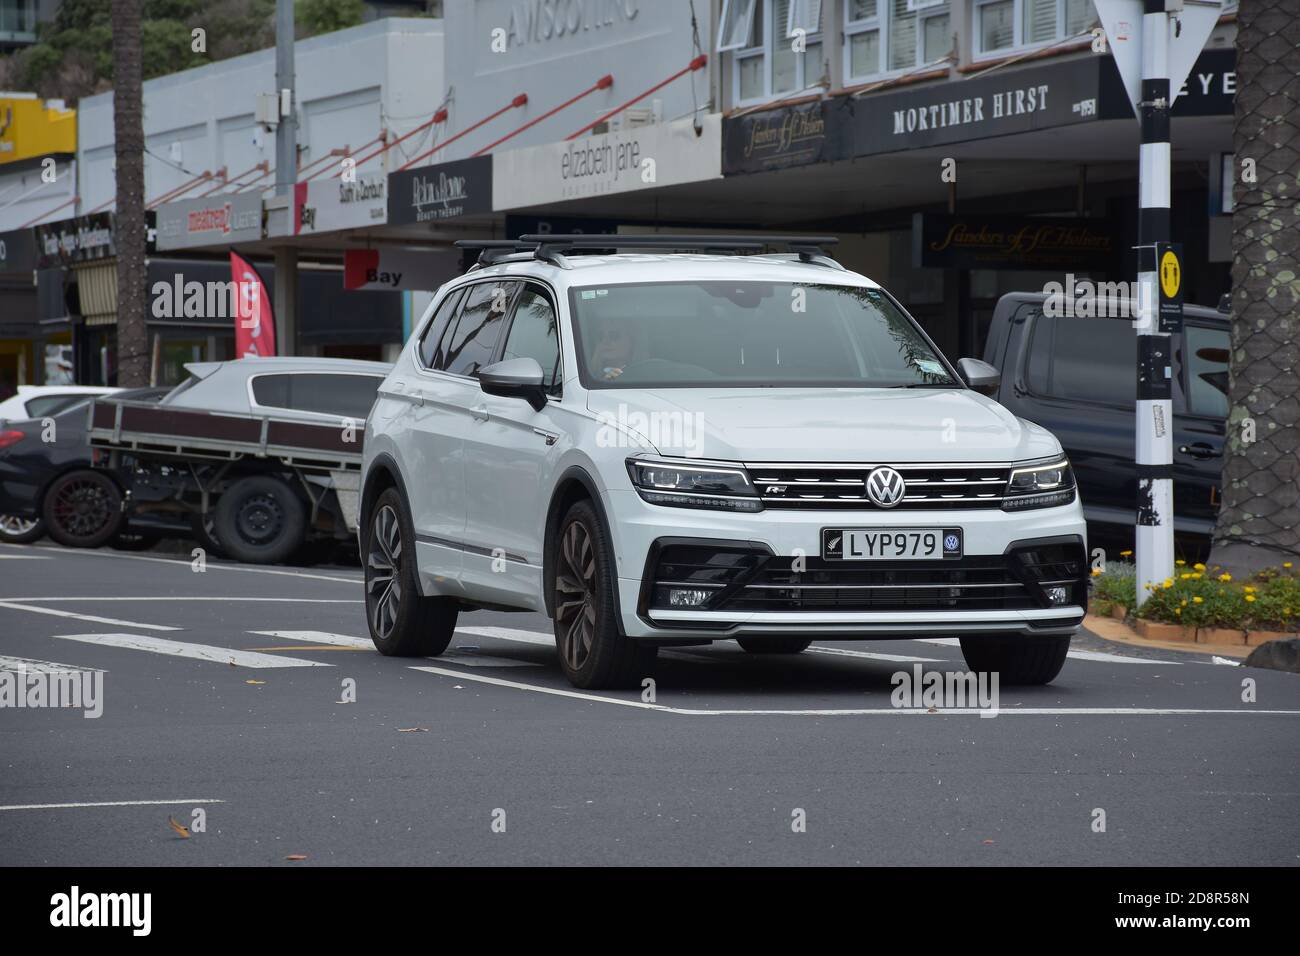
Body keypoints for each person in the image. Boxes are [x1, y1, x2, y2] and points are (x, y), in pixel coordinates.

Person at [590, 316, 635, 380]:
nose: (605, 341)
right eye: (601, 336)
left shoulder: (645, 374)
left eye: (613, 335)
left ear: (630, 340)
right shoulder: (585, 377)